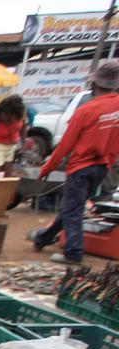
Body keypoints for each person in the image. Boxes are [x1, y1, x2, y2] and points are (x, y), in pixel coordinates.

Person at [30, 61, 119, 264]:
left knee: (72, 209)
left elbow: (64, 146)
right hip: (102, 167)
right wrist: (108, 162)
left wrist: (46, 168)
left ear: (94, 85)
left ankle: (73, 252)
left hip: (81, 167)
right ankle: (43, 238)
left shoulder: (86, 110)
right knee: (73, 206)